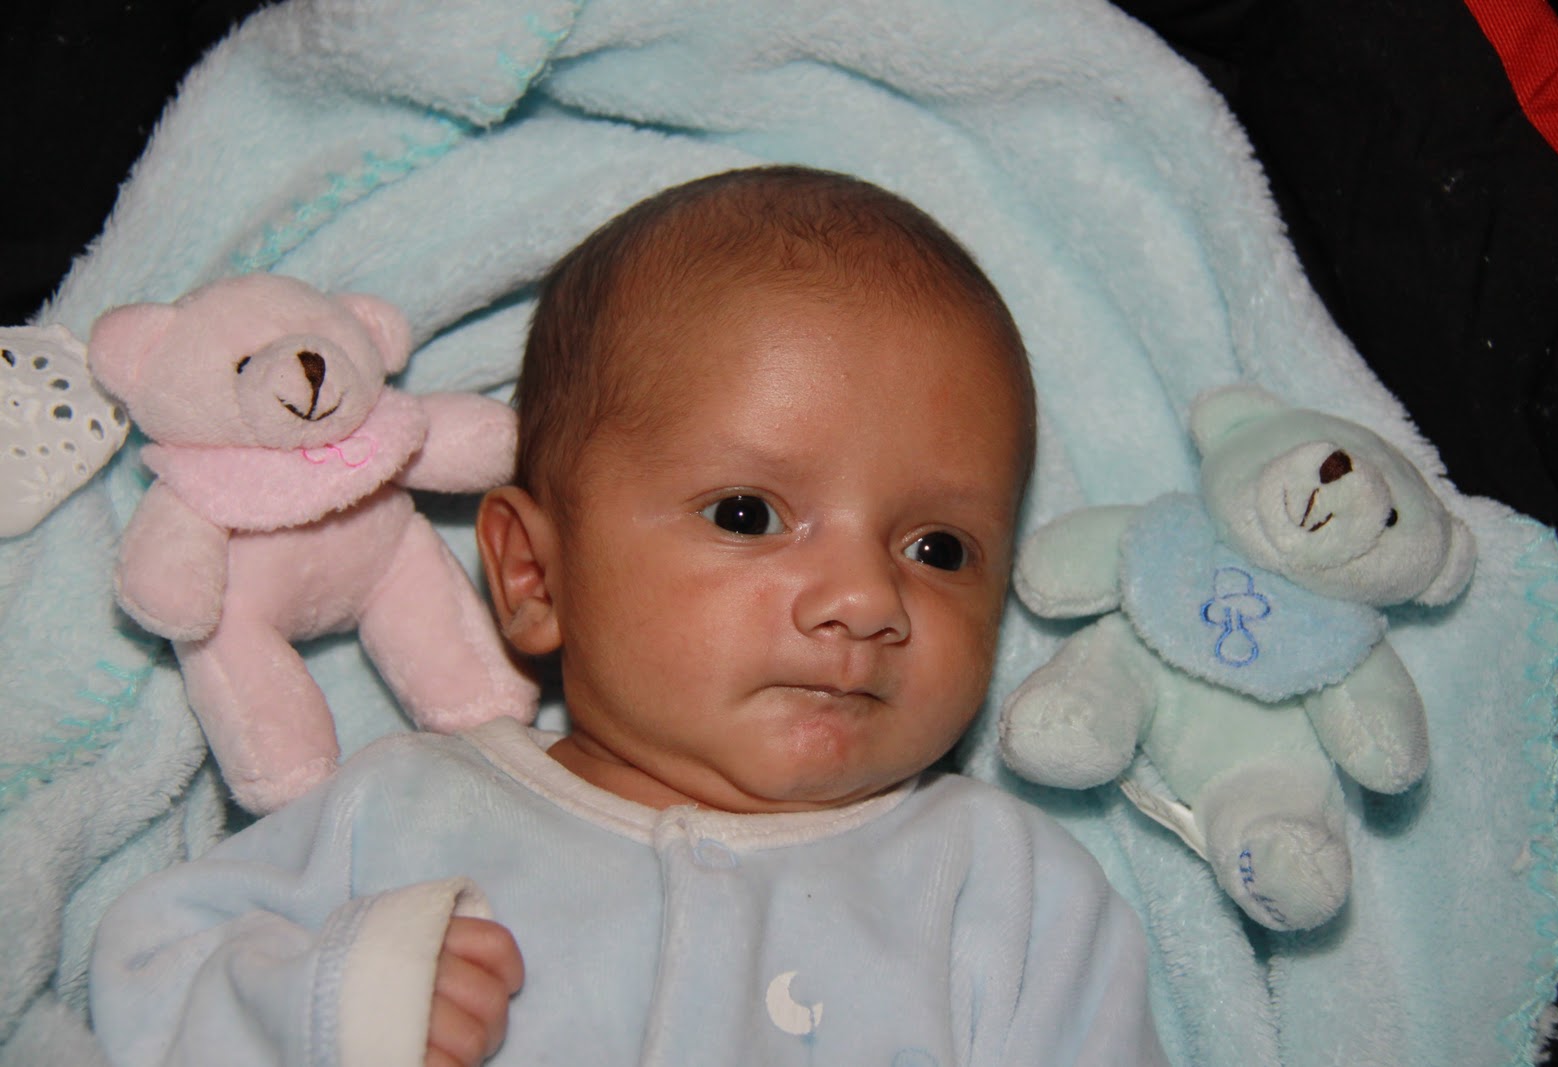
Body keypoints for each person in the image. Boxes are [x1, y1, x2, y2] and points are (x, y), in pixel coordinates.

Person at [90, 166, 1167, 1067]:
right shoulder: (410, 808)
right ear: (533, 577)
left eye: (938, 548)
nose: (866, 599)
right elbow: (147, 975)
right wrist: (339, 1002)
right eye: (748, 513)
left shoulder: (1005, 893)